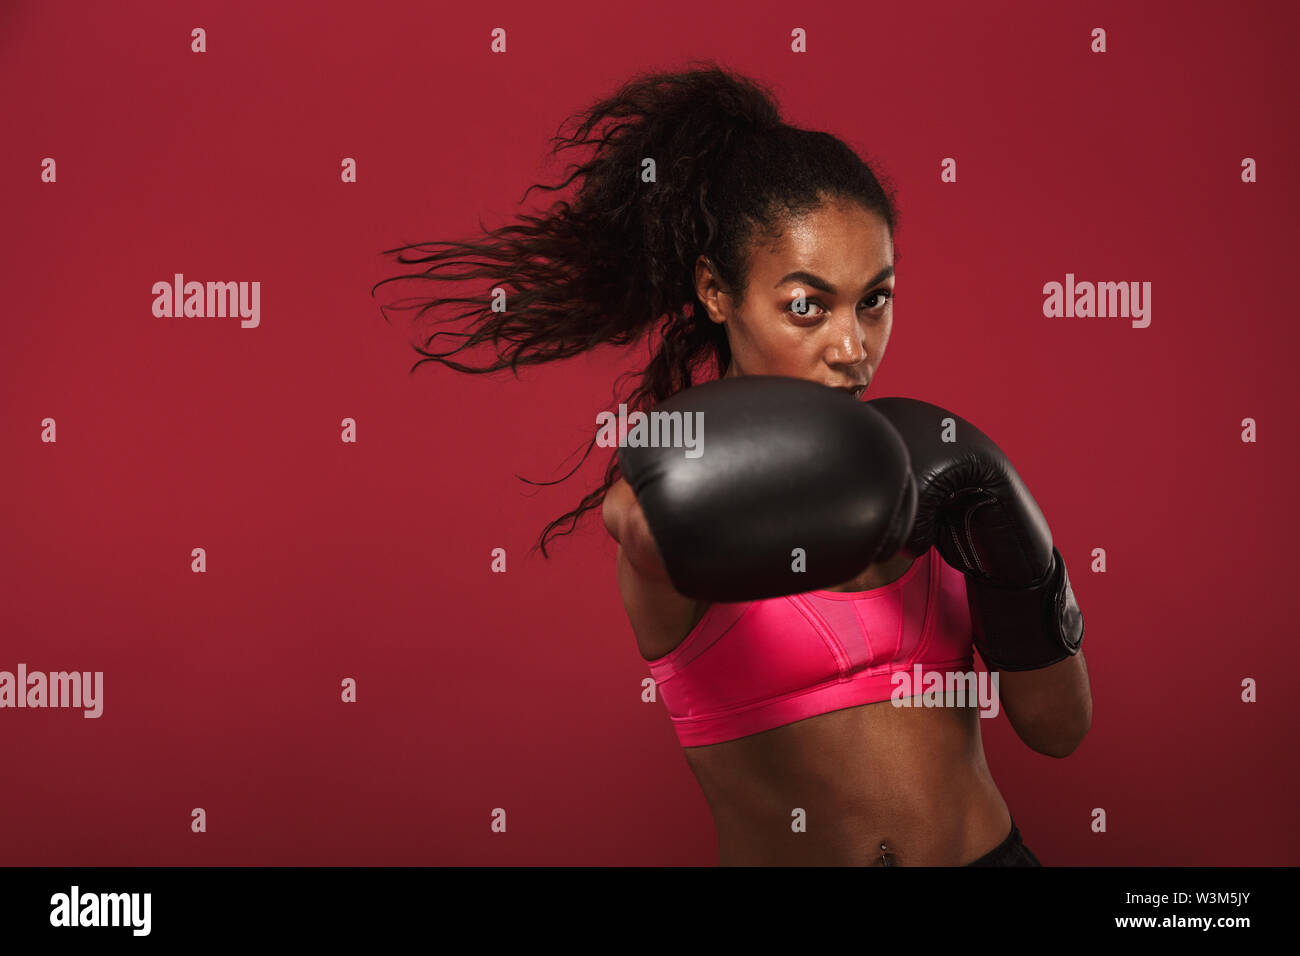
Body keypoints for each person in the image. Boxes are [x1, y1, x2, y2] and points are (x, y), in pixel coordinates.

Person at [372, 62, 1092, 866]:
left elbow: (1058, 730)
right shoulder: (679, 493)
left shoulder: (938, 468)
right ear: (718, 292)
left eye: (875, 299)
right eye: (806, 305)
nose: (851, 346)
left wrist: (1013, 546)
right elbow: (644, 525)